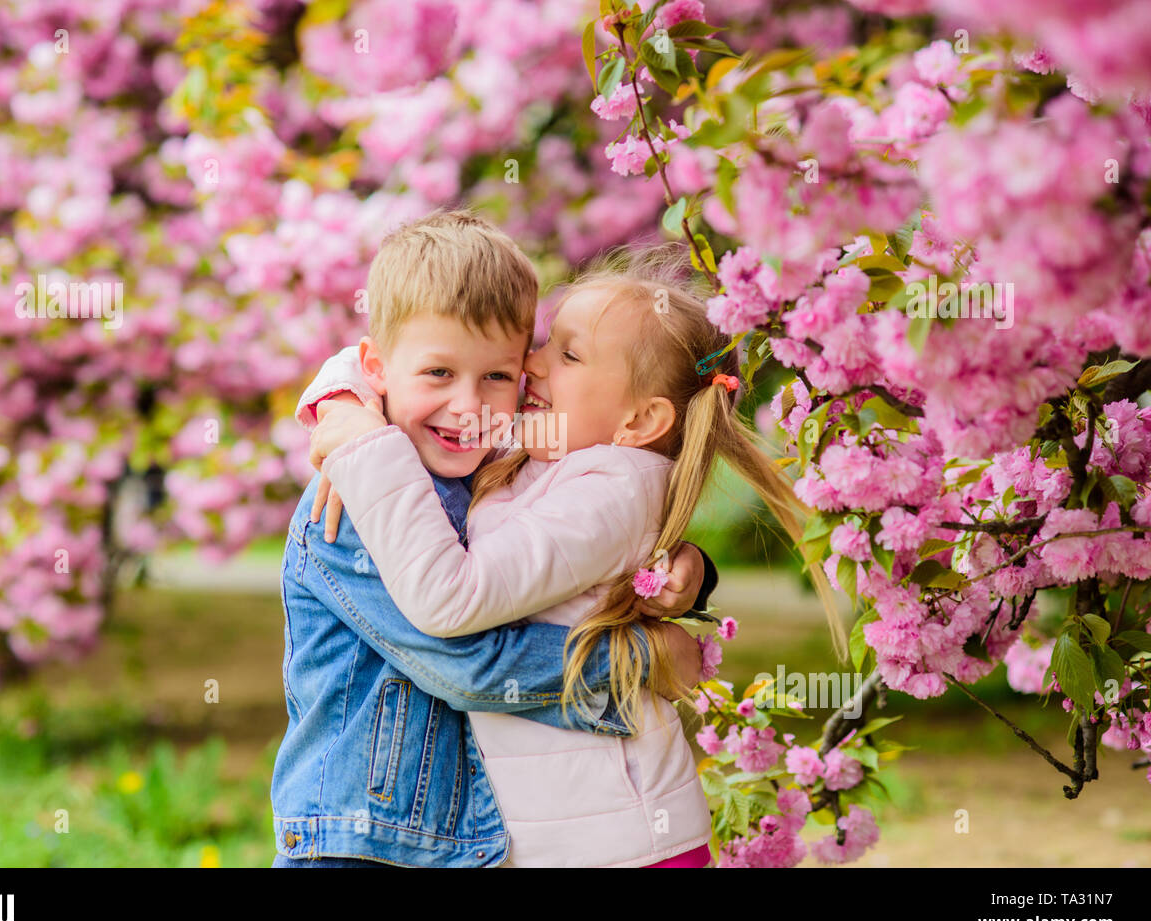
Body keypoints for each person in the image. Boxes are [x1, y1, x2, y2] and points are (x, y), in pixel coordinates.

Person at [307, 241, 847, 866]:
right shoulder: (534, 450)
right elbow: (416, 346)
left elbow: (452, 602)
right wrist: (343, 403)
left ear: (640, 421)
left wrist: (368, 449)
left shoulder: (611, 485)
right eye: (541, 344)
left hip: (619, 845)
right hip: (550, 835)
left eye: (566, 353)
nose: (530, 365)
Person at [271, 211, 716, 867]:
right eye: (438, 376)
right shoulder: (349, 506)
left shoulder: (488, 458)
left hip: (465, 840)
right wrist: (638, 659)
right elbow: (468, 665)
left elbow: (594, 517)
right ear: (379, 371)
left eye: (499, 376)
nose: (469, 404)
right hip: (359, 842)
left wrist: (689, 567)